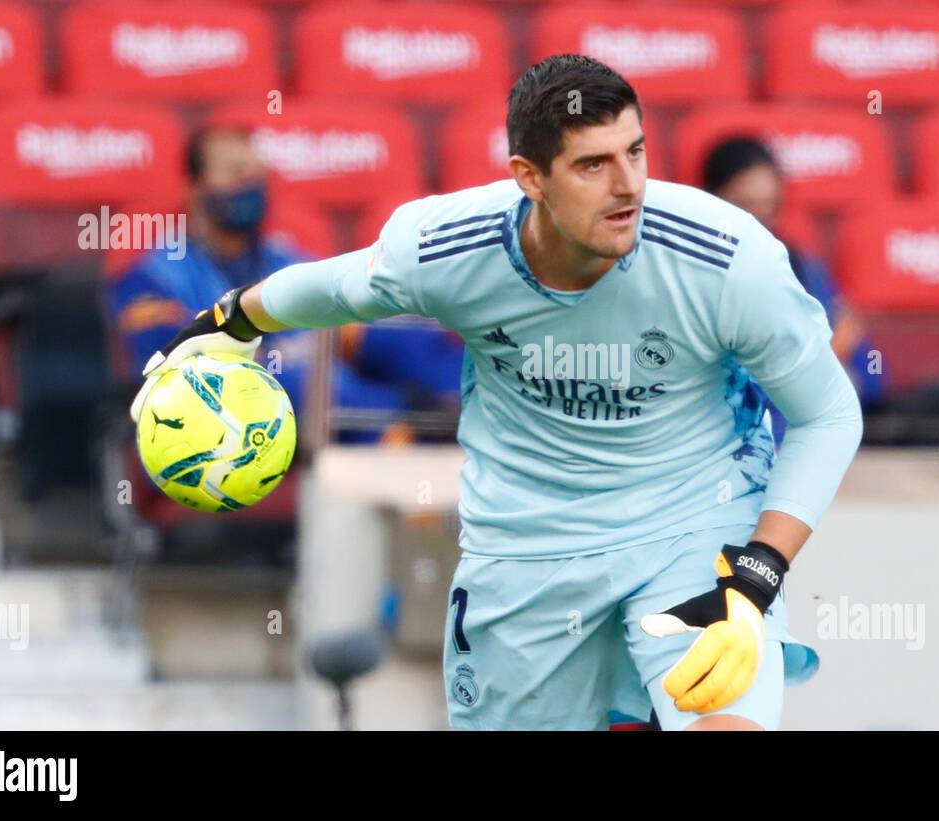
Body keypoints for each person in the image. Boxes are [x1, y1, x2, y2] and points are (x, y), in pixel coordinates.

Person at [129, 55, 862, 730]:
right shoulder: (451, 246)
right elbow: (338, 286)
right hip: (526, 549)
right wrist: (229, 320)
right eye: (593, 164)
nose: (629, 184)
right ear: (529, 176)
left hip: (695, 528)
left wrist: (758, 573)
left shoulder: (725, 257)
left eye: (635, 152)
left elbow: (828, 412)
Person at [108, 125, 459, 445]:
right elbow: (174, 365)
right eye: (235, 173)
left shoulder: (284, 259)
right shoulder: (155, 275)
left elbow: (349, 328)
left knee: (399, 335)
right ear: (196, 187)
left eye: (257, 175)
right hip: (225, 431)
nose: (250, 184)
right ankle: (406, 426)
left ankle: (468, 410)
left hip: (325, 413)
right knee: (302, 380)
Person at [703, 137, 882, 425]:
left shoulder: (802, 269)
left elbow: (872, 378)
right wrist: (820, 359)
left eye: (770, 208)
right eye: (746, 207)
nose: (760, 222)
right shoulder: (696, 277)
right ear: (711, 200)